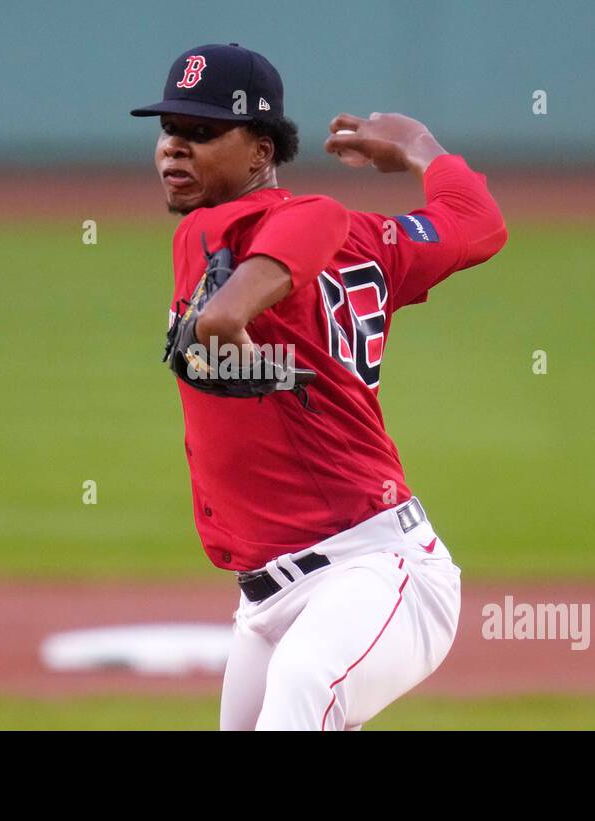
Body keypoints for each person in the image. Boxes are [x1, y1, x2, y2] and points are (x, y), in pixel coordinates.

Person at [130, 43, 507, 730]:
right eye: (169, 130)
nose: (175, 148)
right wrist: (421, 148)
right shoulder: (376, 241)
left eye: (204, 132)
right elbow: (475, 223)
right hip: (267, 602)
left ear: (260, 151)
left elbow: (313, 217)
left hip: (372, 570)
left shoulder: (221, 229)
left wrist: (228, 309)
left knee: (302, 704)